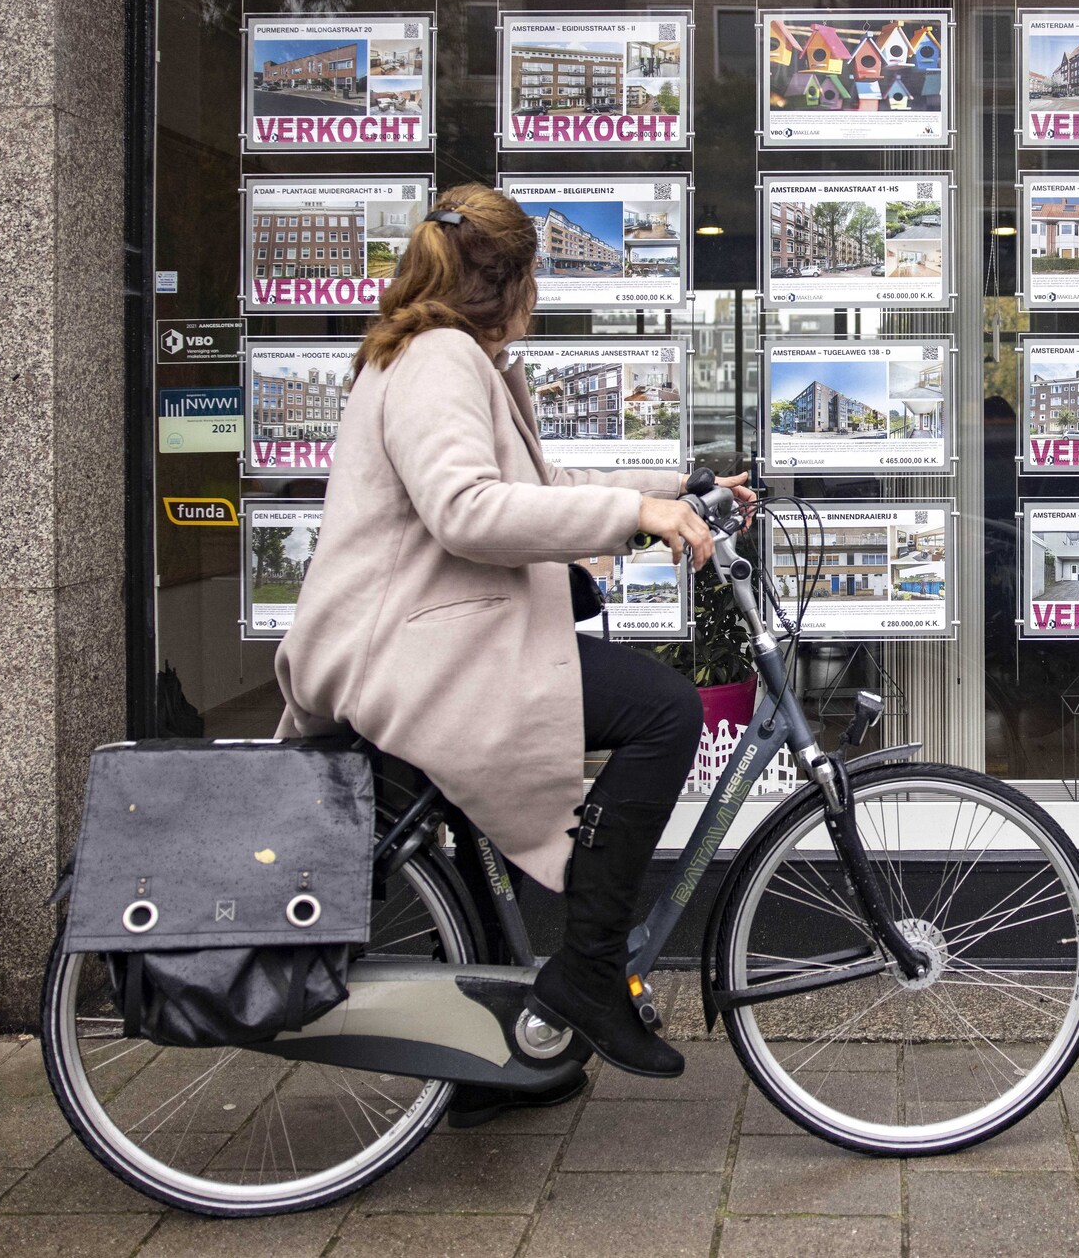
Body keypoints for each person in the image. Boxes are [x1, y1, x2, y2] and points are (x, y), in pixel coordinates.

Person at [274, 182, 746, 1111]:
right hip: (409, 655)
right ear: (516, 280)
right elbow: (468, 510)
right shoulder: (440, 359)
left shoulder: (448, 355)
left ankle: (495, 1054)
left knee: (473, 824)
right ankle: (590, 970)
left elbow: (539, 480)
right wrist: (636, 514)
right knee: (663, 710)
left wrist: (677, 488)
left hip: (430, 640)